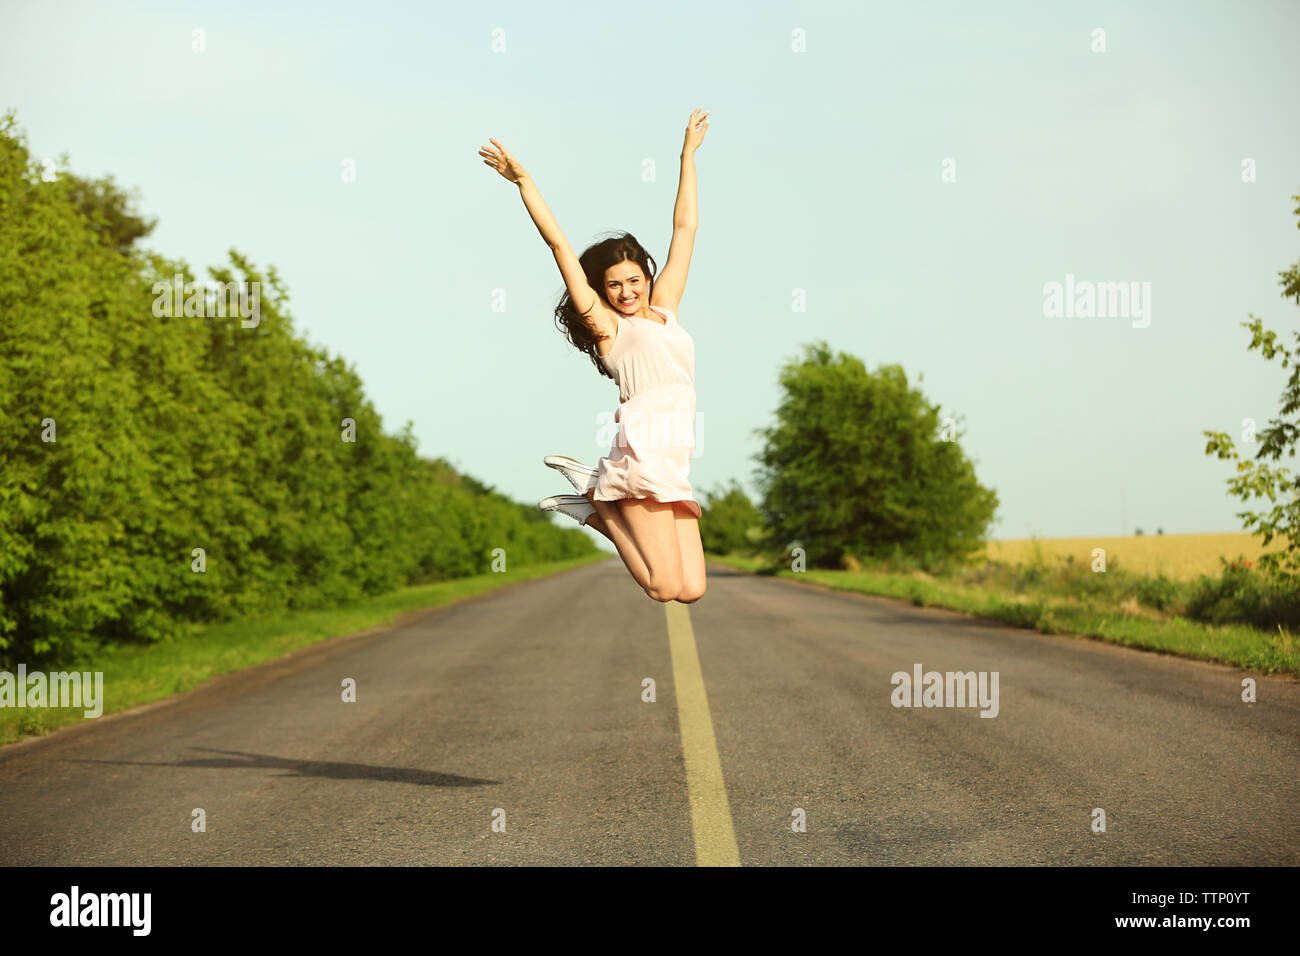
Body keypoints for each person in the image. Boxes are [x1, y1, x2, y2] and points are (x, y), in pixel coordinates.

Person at [478, 109, 710, 603]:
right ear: (602, 291)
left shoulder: (666, 310)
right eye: (614, 285)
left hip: (677, 457)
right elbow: (559, 245)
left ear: (646, 277)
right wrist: (524, 183)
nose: (626, 291)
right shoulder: (609, 329)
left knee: (692, 590)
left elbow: (685, 228)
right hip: (643, 455)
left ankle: (596, 501)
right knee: (662, 586)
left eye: (633, 281)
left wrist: (687, 156)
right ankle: (596, 505)